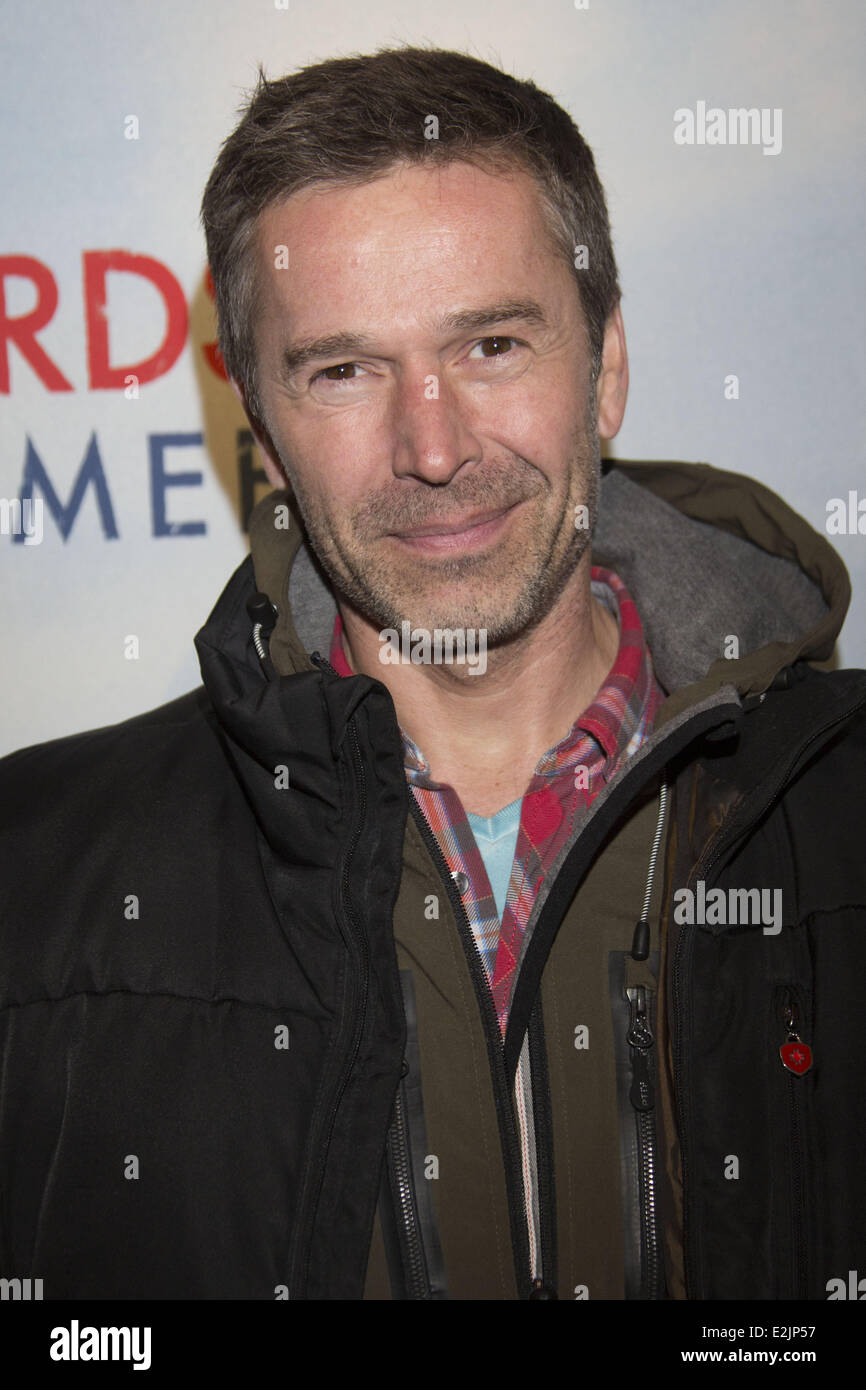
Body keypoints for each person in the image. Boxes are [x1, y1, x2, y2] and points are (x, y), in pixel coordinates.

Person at [1, 45, 865, 1303]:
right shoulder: (35, 881)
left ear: (605, 364)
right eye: (343, 370)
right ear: (261, 423)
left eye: (493, 345)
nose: (432, 446)